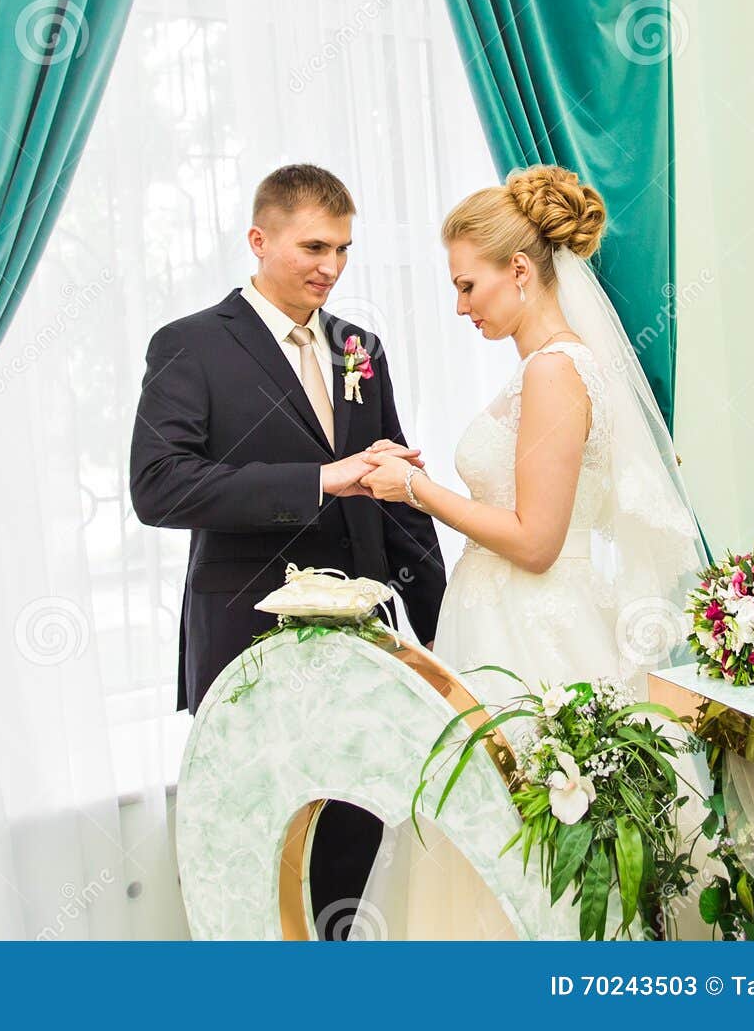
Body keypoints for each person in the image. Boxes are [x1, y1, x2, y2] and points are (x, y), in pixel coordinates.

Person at [356, 165, 708, 938]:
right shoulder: (550, 366)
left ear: (519, 270)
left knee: (524, 859)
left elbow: (537, 540)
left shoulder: (554, 371)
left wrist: (415, 494)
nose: (460, 307)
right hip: (505, 625)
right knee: (491, 849)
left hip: (533, 634)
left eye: (467, 285)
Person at [129, 164, 447, 939]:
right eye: (313, 246)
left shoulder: (359, 347)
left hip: (362, 648)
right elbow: (159, 486)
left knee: (350, 849)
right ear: (258, 239)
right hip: (248, 647)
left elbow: (391, 489)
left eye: (342, 249)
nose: (331, 267)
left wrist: (438, 620)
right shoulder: (191, 345)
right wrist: (317, 478)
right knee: (256, 862)